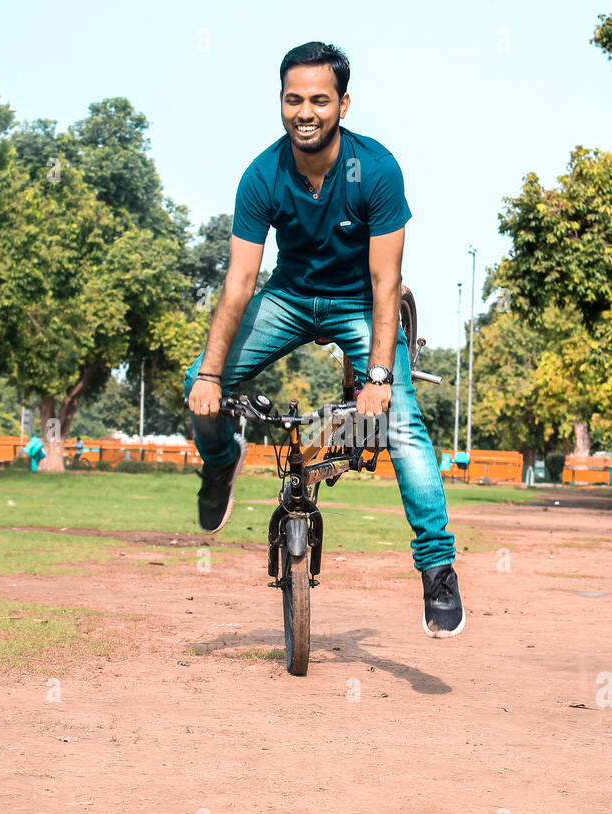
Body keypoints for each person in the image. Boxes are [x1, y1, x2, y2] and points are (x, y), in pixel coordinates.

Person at [183, 42, 464, 637]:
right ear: (280, 102)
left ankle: (437, 567)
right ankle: (221, 459)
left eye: (318, 99)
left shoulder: (377, 169)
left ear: (342, 103)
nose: (304, 111)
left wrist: (381, 379)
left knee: (403, 425)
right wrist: (211, 377)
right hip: (287, 299)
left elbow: (387, 282)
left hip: (358, 304)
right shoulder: (262, 175)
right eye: (293, 99)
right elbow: (238, 284)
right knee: (195, 385)